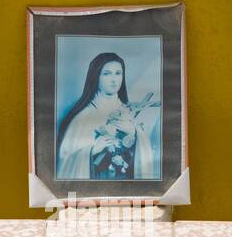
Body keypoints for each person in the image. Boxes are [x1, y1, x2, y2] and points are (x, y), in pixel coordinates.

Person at [55, 52, 160, 180]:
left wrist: (134, 133)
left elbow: (146, 158)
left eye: (118, 73)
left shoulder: (128, 113)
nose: (114, 80)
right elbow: (66, 163)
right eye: (106, 74)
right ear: (96, 77)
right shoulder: (83, 118)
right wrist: (92, 150)